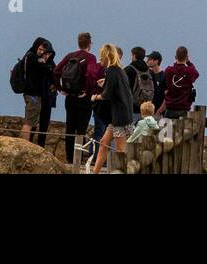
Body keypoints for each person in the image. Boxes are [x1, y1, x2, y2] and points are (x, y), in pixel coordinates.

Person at [53, 32, 99, 164]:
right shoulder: (91, 58)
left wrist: (61, 88)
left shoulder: (70, 56)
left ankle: (69, 159)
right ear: (89, 44)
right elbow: (90, 74)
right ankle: (77, 159)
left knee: (70, 128)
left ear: (79, 43)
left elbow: (56, 71)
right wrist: (88, 91)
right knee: (81, 130)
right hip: (83, 98)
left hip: (70, 97)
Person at [90, 45, 134, 174]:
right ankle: (95, 172)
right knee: (104, 142)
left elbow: (106, 95)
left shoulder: (111, 71)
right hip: (122, 114)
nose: (100, 59)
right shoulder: (119, 70)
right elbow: (116, 88)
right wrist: (106, 82)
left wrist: (95, 97)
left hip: (119, 117)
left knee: (121, 150)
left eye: (101, 56)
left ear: (106, 56)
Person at [19, 37, 55, 142]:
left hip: (30, 94)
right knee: (29, 123)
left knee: (30, 122)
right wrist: (44, 62)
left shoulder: (28, 56)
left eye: (43, 51)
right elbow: (48, 71)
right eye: (40, 49)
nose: (41, 52)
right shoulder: (32, 57)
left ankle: (23, 144)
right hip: (33, 94)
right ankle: (24, 145)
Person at [162, 46, 199, 119]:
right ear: (186, 57)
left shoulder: (168, 70)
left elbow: (165, 86)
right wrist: (189, 62)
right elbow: (196, 74)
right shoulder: (190, 71)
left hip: (170, 107)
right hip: (184, 108)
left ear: (175, 57)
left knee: (169, 130)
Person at [125, 46, 154, 121]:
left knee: (130, 132)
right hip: (146, 109)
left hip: (132, 108)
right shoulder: (150, 72)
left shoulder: (128, 70)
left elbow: (124, 89)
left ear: (134, 55)